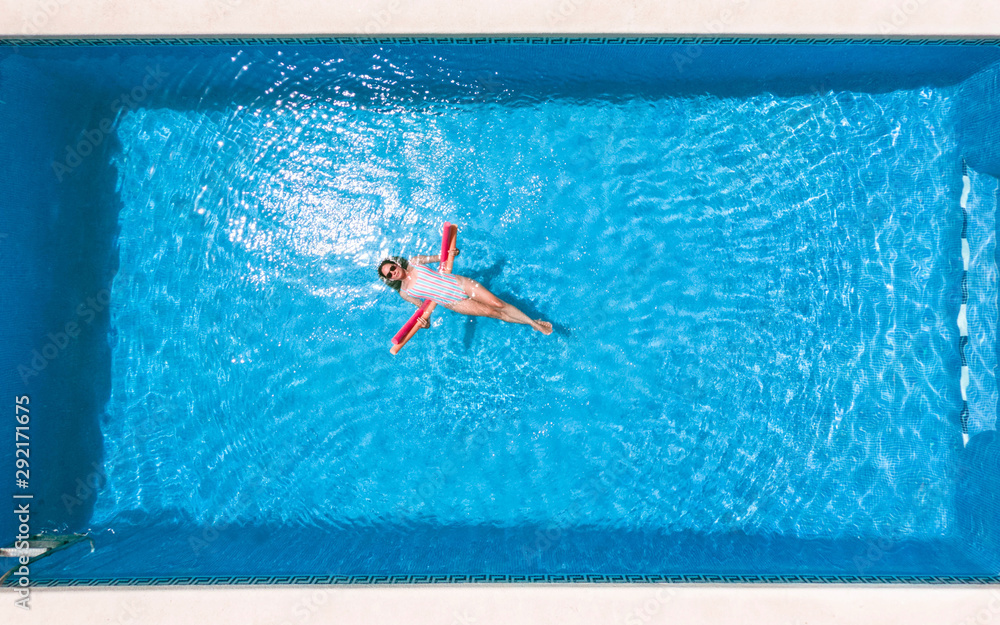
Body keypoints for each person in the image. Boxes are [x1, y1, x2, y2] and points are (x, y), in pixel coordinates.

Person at [377, 252, 553, 335]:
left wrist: (453, 253)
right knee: (494, 313)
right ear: (389, 278)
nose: (393, 272)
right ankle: (531, 323)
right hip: (454, 302)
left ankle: (533, 323)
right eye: (389, 274)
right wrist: (425, 324)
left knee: (498, 304)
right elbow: (423, 310)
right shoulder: (405, 292)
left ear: (396, 264)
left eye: (392, 268)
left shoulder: (415, 261)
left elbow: (442, 257)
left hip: (460, 284)